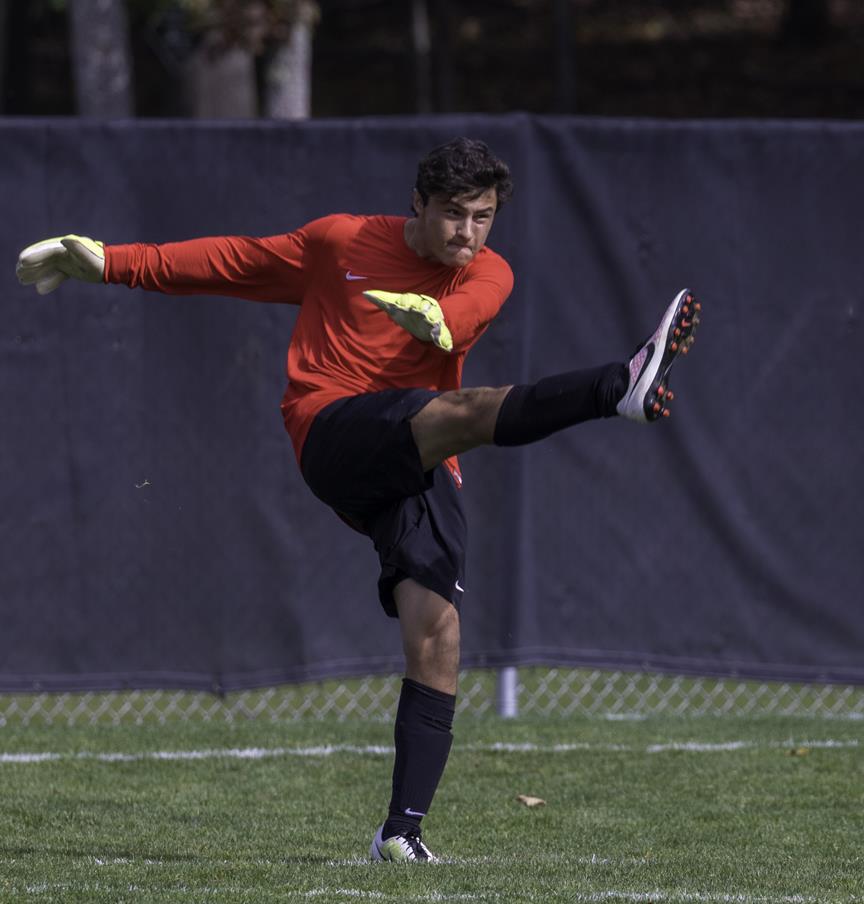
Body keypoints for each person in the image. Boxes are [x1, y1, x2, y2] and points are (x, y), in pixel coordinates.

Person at [13, 137, 701, 863]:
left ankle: (401, 833)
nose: (467, 233)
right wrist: (110, 262)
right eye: (452, 214)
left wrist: (434, 322)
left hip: (419, 459)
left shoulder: (490, 270)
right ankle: (614, 387)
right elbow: (229, 261)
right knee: (458, 409)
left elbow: (465, 314)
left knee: (437, 637)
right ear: (417, 202)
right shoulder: (341, 241)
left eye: (483, 216)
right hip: (332, 428)